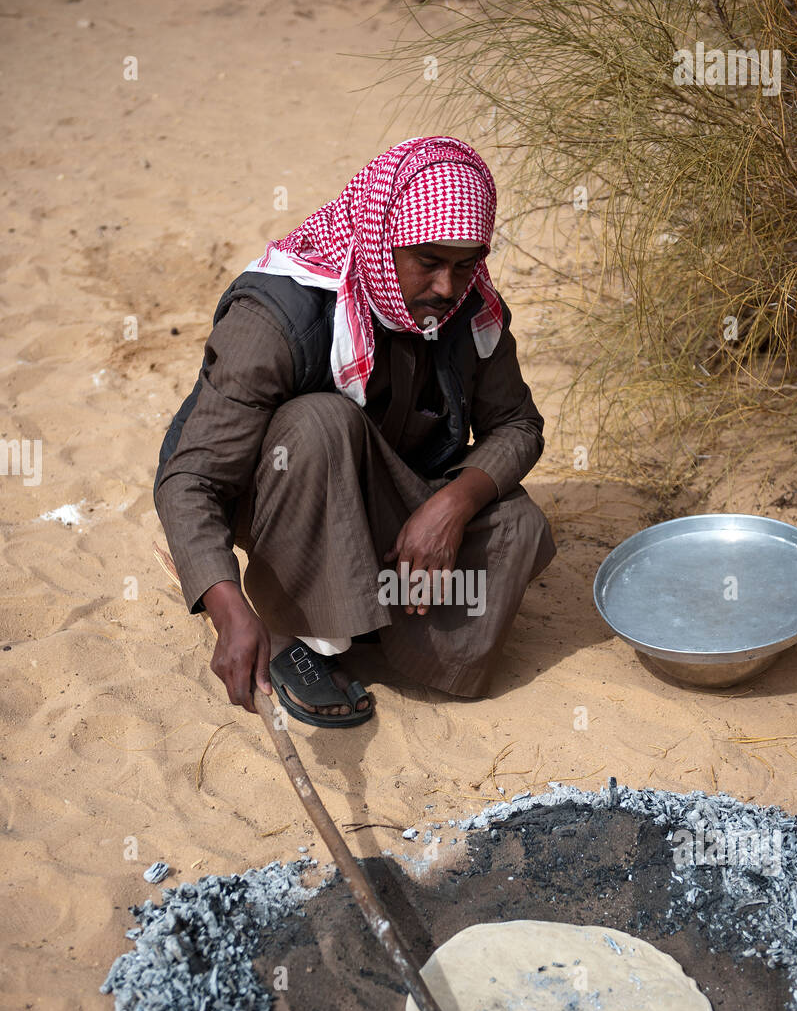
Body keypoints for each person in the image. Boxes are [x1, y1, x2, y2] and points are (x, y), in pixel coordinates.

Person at [153, 135, 556, 727]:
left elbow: (518, 424)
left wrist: (449, 506)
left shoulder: (468, 308)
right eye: (429, 261)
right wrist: (227, 606)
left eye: (465, 265)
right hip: (284, 499)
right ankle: (301, 633)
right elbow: (189, 481)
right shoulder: (279, 316)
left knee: (516, 521)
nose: (447, 288)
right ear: (383, 241)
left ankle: (370, 615)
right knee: (319, 423)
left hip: (382, 504)